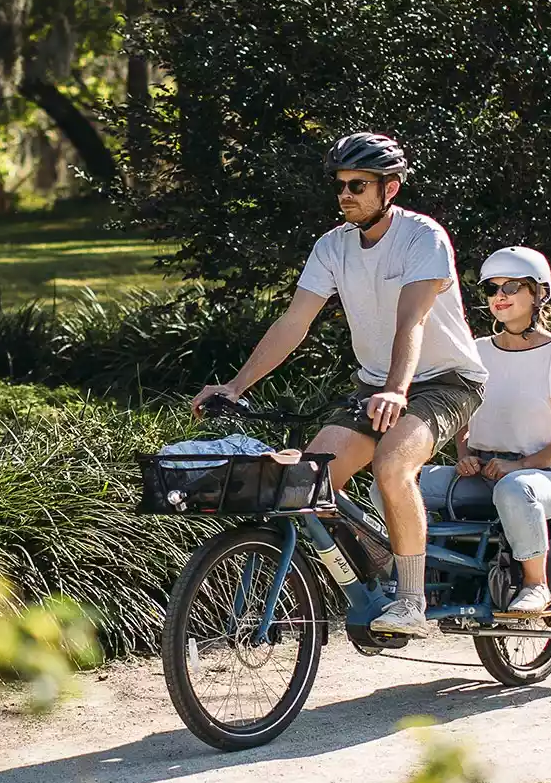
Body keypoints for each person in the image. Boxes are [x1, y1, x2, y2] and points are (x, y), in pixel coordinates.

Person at [192, 132, 487, 636]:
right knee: (310, 479)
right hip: (376, 384)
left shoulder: (423, 238)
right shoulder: (332, 246)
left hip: (446, 381)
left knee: (393, 465)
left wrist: (397, 389)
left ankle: (412, 601)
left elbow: (411, 321)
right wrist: (236, 386)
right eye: (341, 185)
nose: (345, 194)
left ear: (389, 189)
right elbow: (293, 323)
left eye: (358, 185)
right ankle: (375, 568)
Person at [387, 246, 551, 614]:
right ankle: (408, 584)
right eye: (492, 288)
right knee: (387, 483)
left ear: (539, 293)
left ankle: (536, 584)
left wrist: (521, 465)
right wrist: (465, 454)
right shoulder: (475, 352)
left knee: (515, 490)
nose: (499, 297)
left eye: (511, 286)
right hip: (485, 474)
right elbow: (463, 415)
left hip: (546, 478)